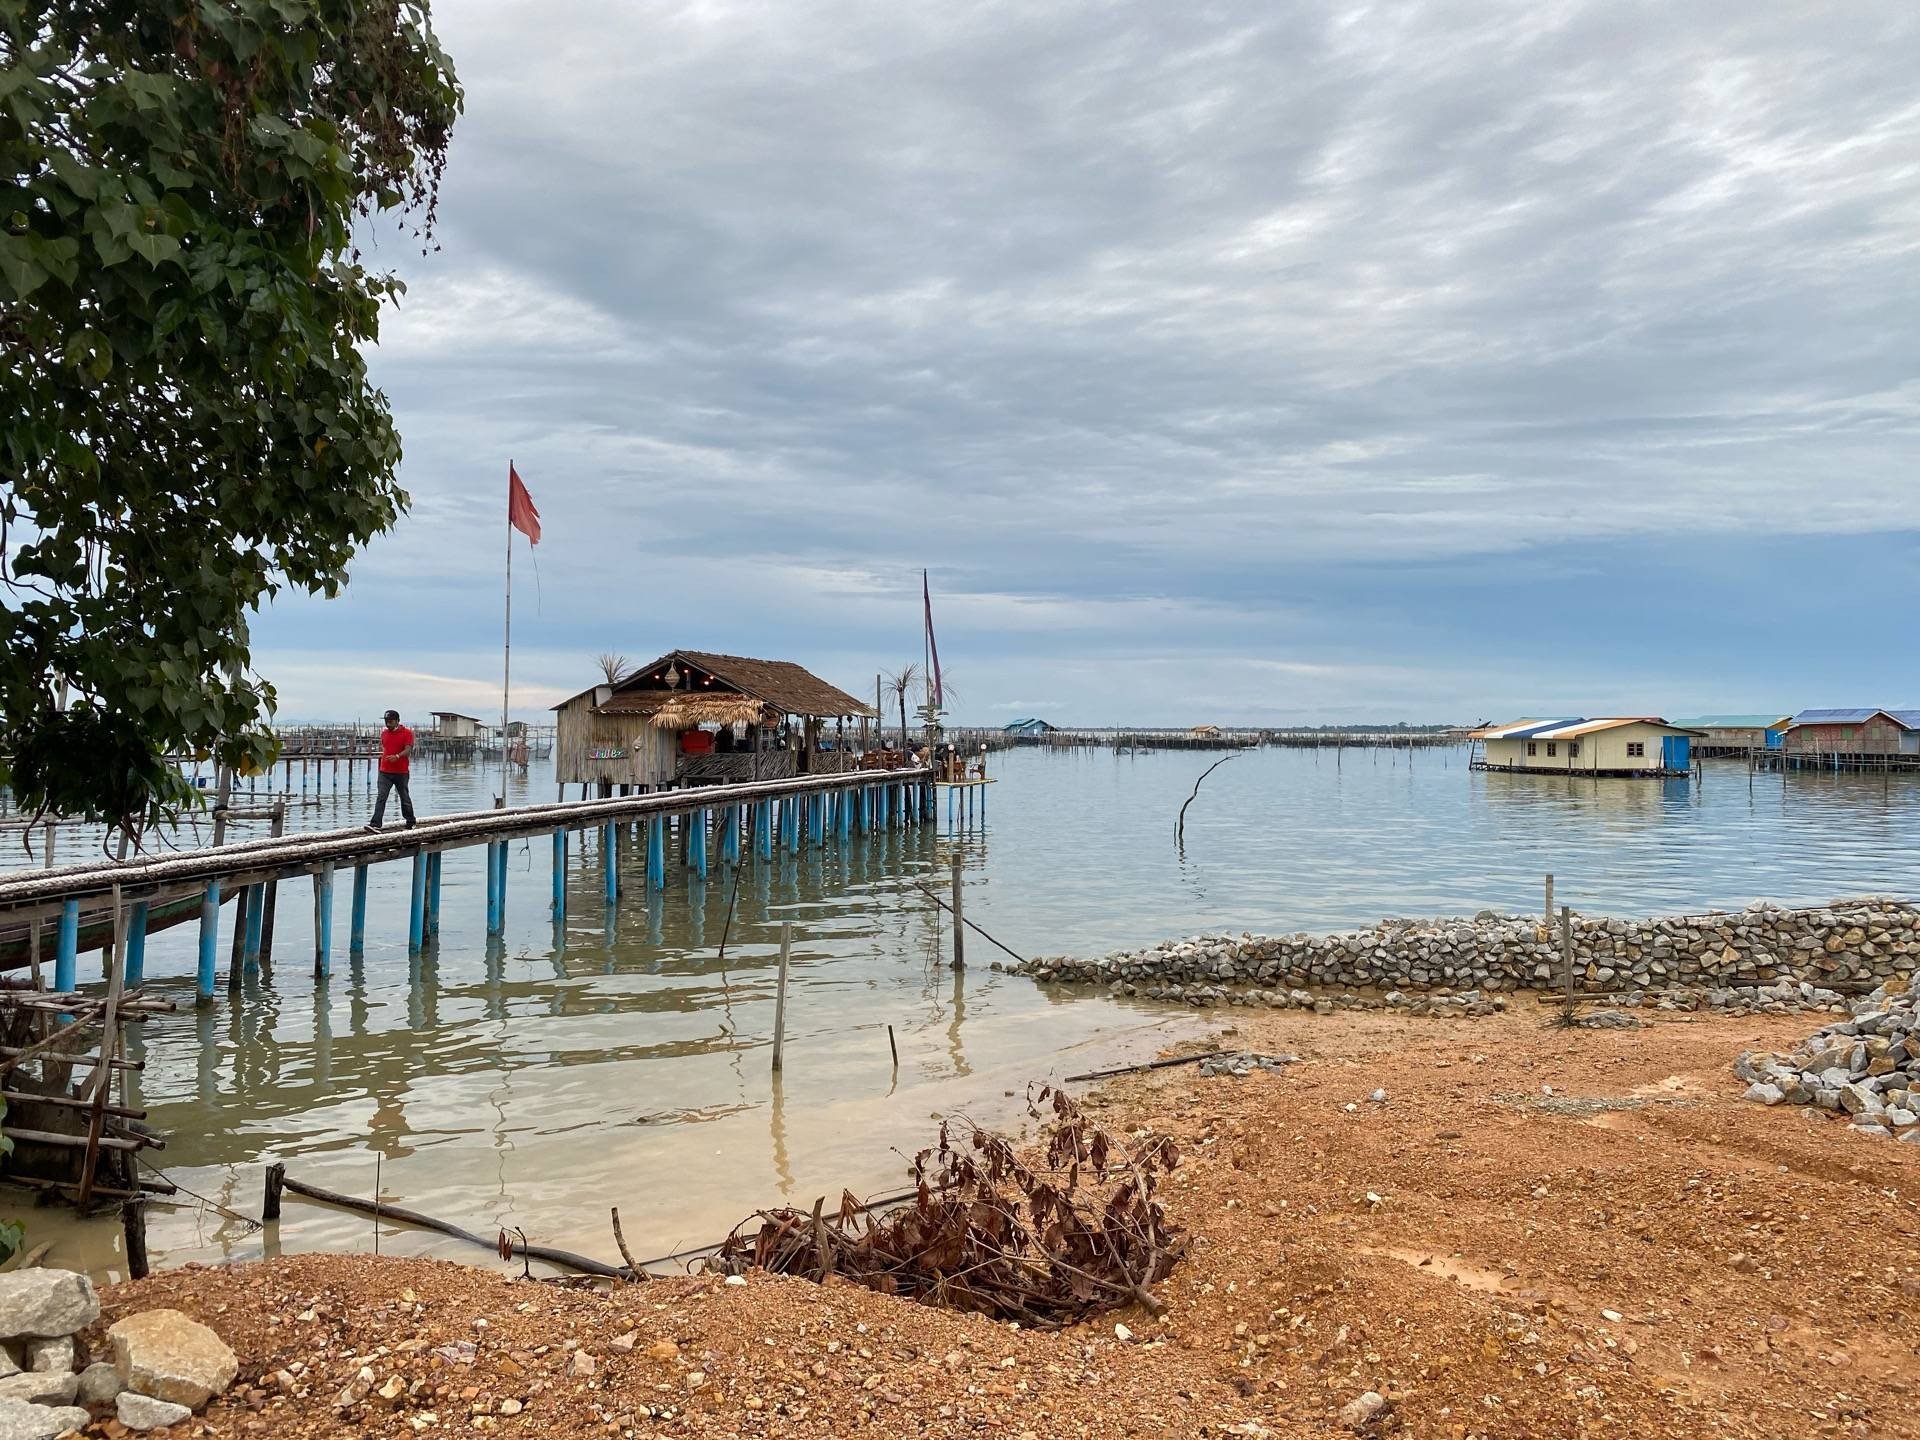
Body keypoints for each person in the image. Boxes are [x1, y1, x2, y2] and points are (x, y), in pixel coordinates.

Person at [367, 709, 416, 830]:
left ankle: (410, 821)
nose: (388, 724)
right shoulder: (384, 733)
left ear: (397, 721)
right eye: (386, 721)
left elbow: (408, 749)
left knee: (404, 797)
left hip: (401, 772)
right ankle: (375, 823)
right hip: (385, 771)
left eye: (390, 721)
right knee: (381, 797)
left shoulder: (407, 733)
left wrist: (397, 756)